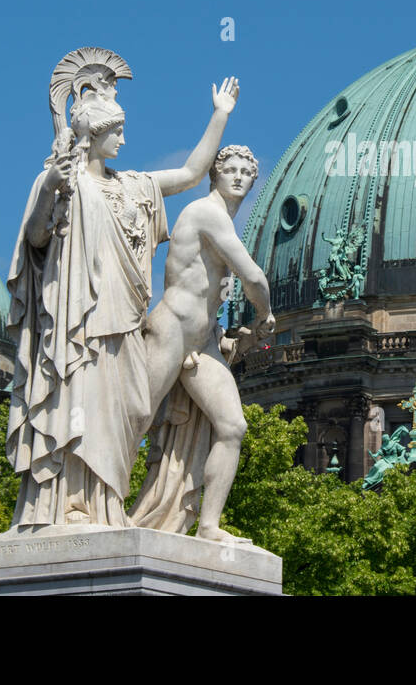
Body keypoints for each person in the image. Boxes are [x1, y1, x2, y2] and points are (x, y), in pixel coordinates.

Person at [6, 46, 239, 529]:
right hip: (78, 321)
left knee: (125, 415)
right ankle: (67, 504)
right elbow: (34, 237)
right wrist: (52, 185)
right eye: (116, 133)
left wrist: (219, 116)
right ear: (92, 134)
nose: (124, 141)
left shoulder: (134, 185)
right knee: (77, 406)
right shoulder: (60, 181)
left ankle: (106, 506)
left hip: (127, 319)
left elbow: (193, 173)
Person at [130, 144, 274, 542]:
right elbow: (254, 278)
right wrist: (266, 315)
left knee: (233, 427)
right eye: (231, 169)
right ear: (215, 173)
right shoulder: (205, 212)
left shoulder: (222, 219)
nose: (240, 176)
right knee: (137, 417)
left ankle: (208, 525)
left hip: (204, 339)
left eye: (247, 171)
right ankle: (105, 505)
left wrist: (232, 341)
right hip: (172, 330)